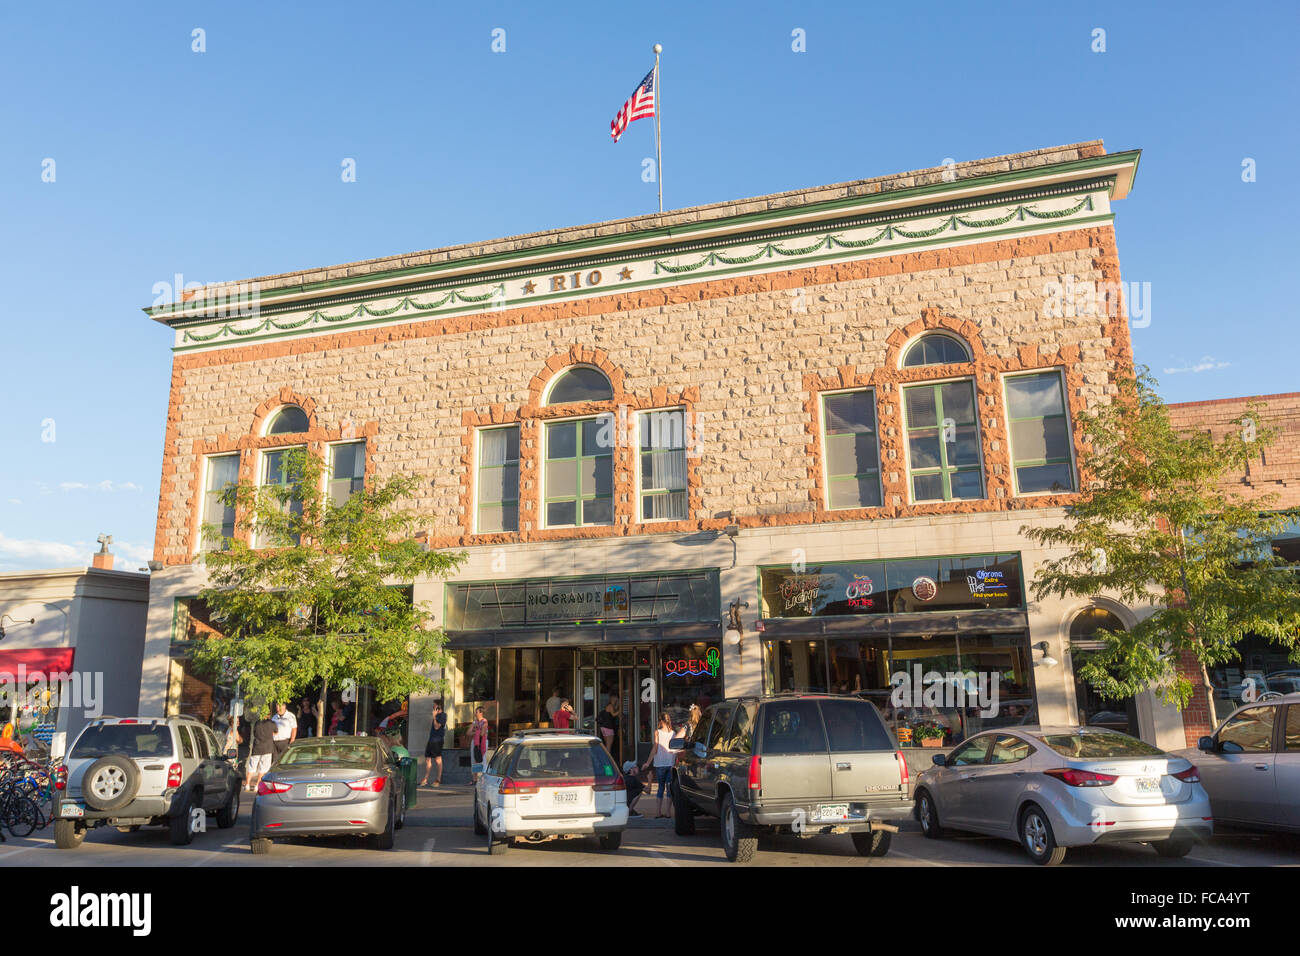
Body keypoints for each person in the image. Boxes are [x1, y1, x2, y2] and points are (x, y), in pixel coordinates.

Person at [641, 712, 677, 818]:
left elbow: (655, 748)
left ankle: (658, 812)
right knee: (669, 788)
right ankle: (668, 812)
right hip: (670, 763)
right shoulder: (673, 733)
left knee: (660, 787)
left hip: (660, 764)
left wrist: (648, 762)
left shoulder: (657, 732)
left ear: (661, 721)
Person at [246, 711, 277, 792]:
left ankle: (247, 785)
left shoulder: (257, 723)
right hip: (267, 748)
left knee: (252, 767)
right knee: (263, 768)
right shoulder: (272, 723)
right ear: (269, 715)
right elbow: (276, 732)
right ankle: (257, 786)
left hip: (257, 747)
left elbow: (254, 733)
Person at [421, 700, 447, 787]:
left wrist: (434, 717)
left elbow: (437, 727)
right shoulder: (436, 716)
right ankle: (425, 779)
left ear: (438, 706)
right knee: (428, 759)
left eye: (435, 705)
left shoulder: (443, 715)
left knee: (437, 759)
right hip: (431, 740)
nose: (433, 707)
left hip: (437, 740)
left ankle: (438, 779)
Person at [597, 694, 620, 761]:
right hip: (608, 727)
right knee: (608, 746)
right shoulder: (610, 706)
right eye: (616, 698)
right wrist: (620, 710)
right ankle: (607, 760)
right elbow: (613, 714)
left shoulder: (608, 706)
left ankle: (604, 759)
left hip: (604, 727)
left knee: (607, 744)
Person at [469, 707, 489, 782]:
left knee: (482, 760)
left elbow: (482, 733)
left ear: (481, 713)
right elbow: (468, 732)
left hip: (482, 743)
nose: (475, 713)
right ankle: (475, 779)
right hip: (475, 742)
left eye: (476, 712)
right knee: (474, 760)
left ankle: (483, 779)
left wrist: (476, 730)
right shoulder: (474, 722)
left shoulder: (485, 722)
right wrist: (475, 731)